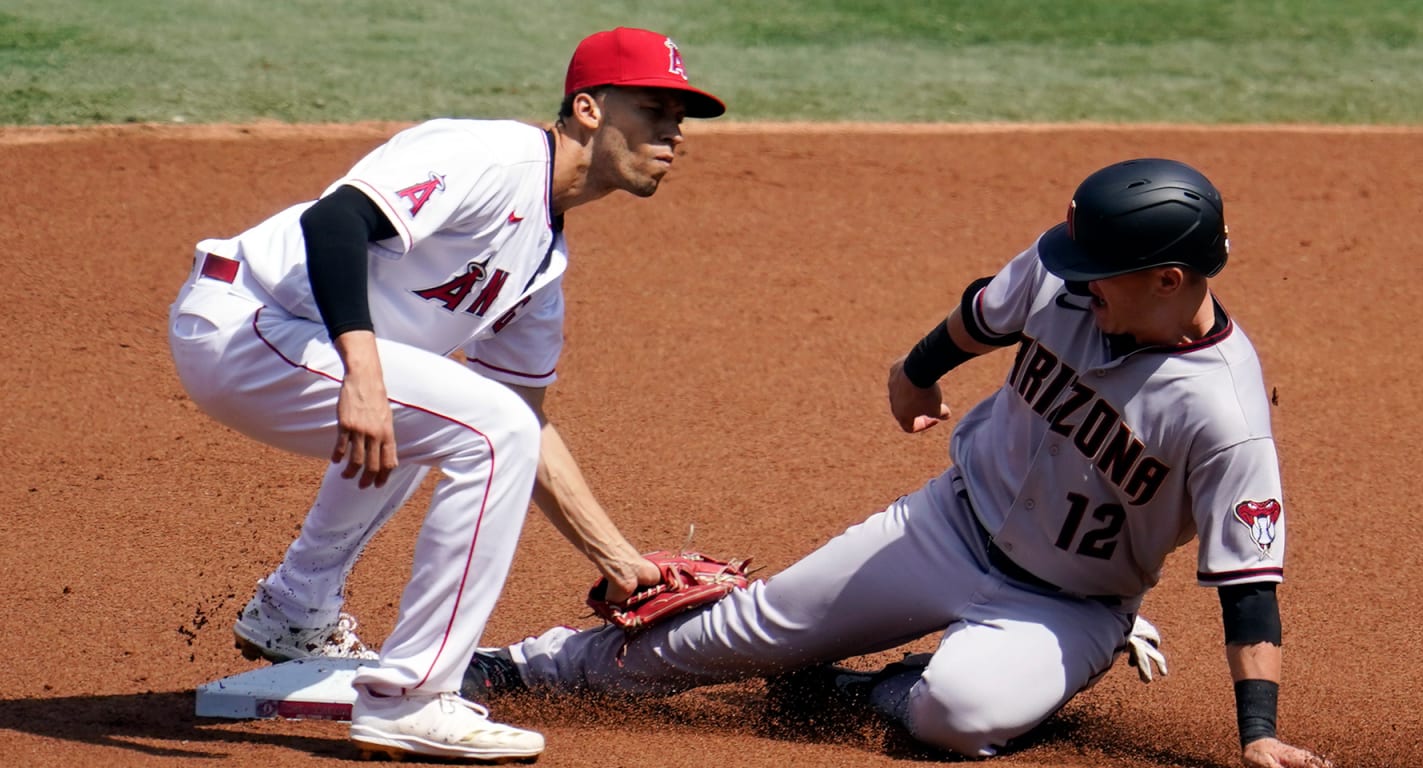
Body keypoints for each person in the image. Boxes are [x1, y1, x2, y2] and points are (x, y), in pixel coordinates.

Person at [465, 158, 1333, 767]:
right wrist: (916, 374)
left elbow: (1250, 589)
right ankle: (520, 665)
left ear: (1171, 279)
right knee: (739, 634)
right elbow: (983, 317)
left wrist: (1257, 734)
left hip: (1068, 603)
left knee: (957, 718)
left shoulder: (1225, 417)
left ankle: (862, 691)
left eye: (1104, 274)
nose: (1081, 284)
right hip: (946, 526)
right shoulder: (1069, 274)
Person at [166, 26, 726, 763]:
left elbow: (524, 418)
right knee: (477, 422)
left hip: (291, 339)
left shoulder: (542, 263)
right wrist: (363, 373)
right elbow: (333, 220)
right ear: (589, 109)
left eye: (679, 119)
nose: (672, 134)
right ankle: (414, 698)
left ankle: (295, 608)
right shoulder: (490, 156)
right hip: (246, 322)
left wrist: (620, 563)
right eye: (654, 109)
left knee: (466, 414)